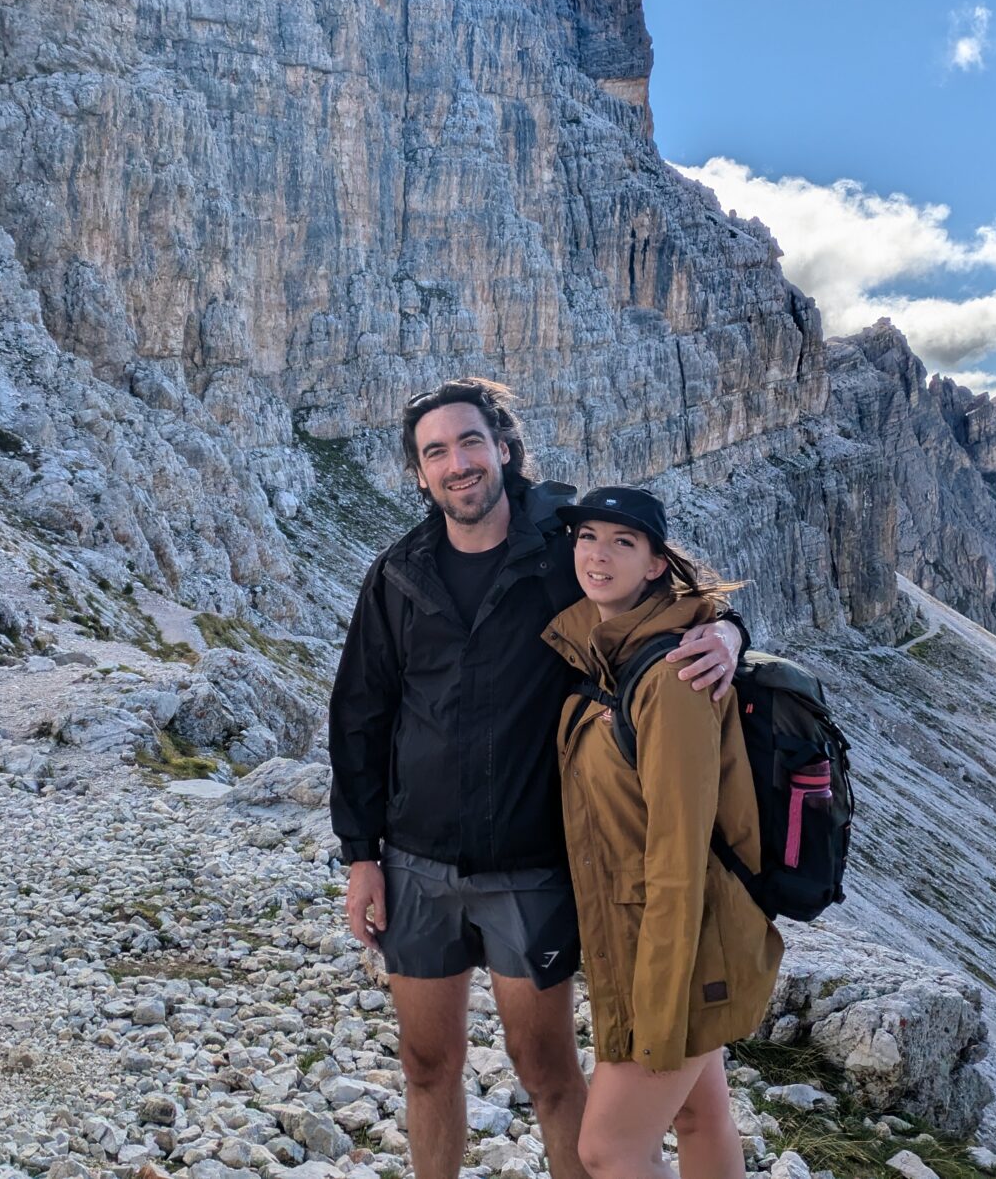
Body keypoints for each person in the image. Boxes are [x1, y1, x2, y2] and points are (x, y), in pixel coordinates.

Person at [329, 379, 751, 1179]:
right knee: (425, 1063)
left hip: (531, 868)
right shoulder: (398, 575)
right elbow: (359, 715)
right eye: (436, 452)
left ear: (504, 448)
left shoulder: (564, 547)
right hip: (416, 862)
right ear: (419, 474)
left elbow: (672, 594)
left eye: (470, 443)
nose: (458, 464)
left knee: (548, 1070)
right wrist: (361, 856)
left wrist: (727, 633)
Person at [542, 486, 783, 1179]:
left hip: (679, 947)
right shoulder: (612, 651)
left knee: (607, 1150)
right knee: (699, 1114)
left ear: (655, 566)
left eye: (623, 542)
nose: (598, 554)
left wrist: (659, 1004)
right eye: (587, 536)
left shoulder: (672, 677)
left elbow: (678, 856)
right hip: (658, 938)